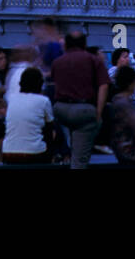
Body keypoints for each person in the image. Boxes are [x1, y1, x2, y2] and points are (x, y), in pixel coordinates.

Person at [50, 30, 109, 169]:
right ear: (84, 44)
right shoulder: (93, 60)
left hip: (61, 109)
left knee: (73, 141)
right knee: (80, 160)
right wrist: (99, 113)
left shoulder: (57, 62)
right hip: (83, 110)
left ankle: (70, 147)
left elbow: (54, 84)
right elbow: (104, 86)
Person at [2, 68, 55, 166]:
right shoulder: (44, 101)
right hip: (34, 154)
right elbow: (49, 131)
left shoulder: (12, 99)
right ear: (40, 84)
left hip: (8, 152)